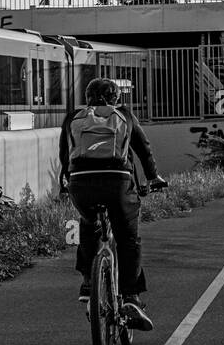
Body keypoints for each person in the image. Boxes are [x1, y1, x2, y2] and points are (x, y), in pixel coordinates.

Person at [59, 78, 168, 331]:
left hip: (80, 184)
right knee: (128, 239)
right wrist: (153, 177)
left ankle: (88, 283)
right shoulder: (125, 115)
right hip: (118, 183)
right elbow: (144, 150)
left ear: (87, 98)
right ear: (116, 98)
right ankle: (131, 297)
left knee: (88, 224)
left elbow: (65, 156)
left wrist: (66, 184)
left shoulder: (73, 118)